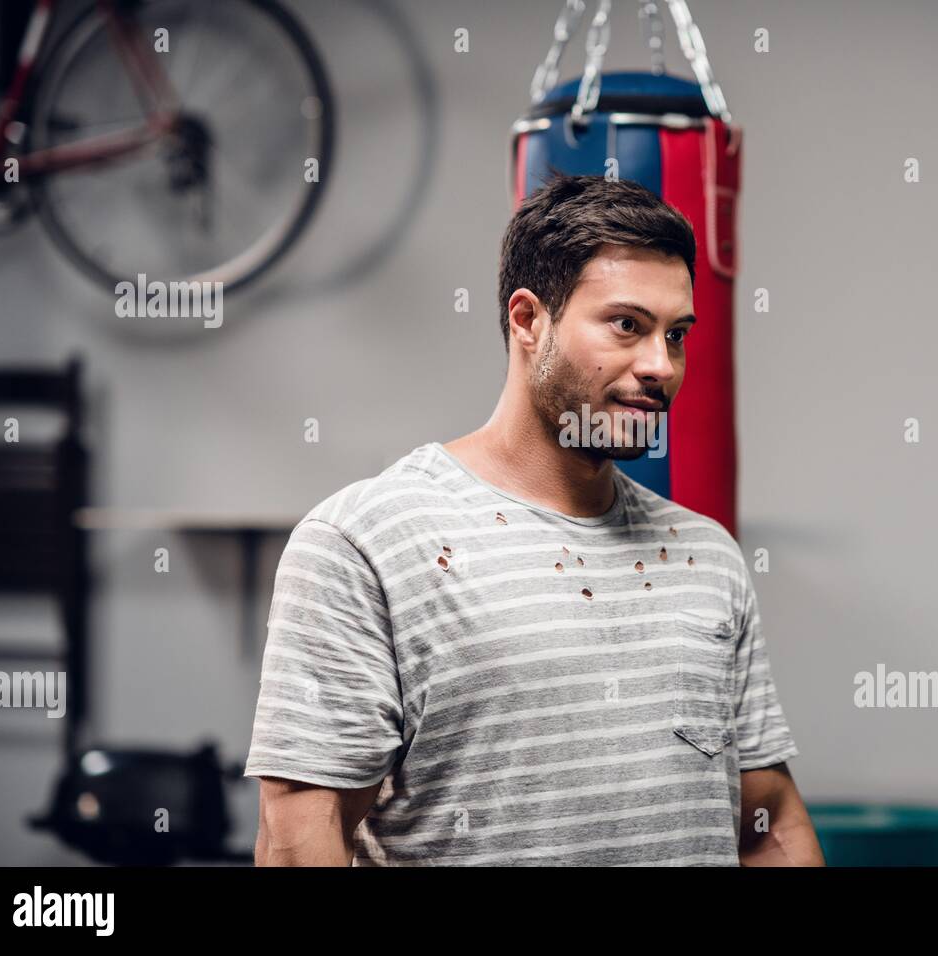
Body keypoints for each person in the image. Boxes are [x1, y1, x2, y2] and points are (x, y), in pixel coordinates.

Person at [245, 173, 824, 866]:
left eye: (677, 335)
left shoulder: (707, 555)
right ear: (527, 320)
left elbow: (770, 822)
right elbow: (298, 838)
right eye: (627, 325)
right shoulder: (365, 543)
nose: (660, 366)